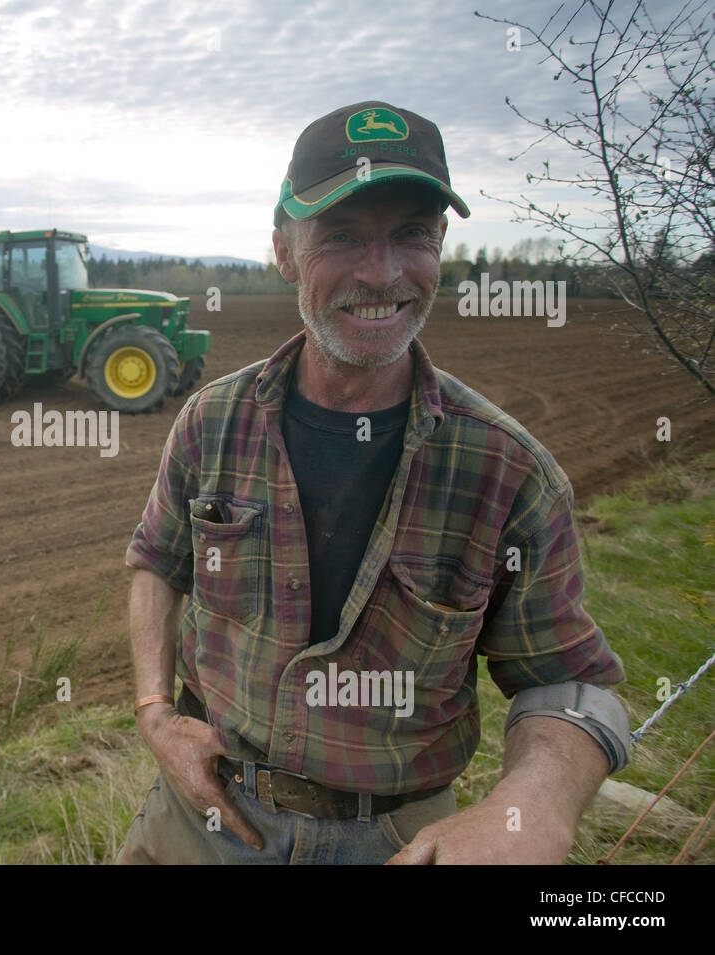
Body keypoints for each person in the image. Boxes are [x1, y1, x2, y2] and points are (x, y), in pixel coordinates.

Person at [116, 101, 631, 865]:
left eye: (411, 235)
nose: (382, 273)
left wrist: (533, 807)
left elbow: (571, 683)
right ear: (284, 250)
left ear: (442, 246)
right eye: (344, 236)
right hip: (203, 816)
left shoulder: (508, 471)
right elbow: (158, 560)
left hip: (391, 839)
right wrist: (157, 710)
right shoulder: (212, 421)